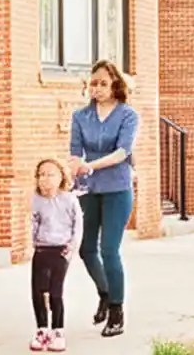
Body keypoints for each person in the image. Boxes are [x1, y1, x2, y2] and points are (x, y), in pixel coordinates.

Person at [69, 60, 139, 338]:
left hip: (117, 188)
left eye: (102, 83)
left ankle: (117, 311)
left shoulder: (127, 115)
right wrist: (74, 168)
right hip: (88, 189)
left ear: (115, 85)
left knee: (109, 249)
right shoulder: (80, 116)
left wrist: (91, 165)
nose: (96, 88)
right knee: (87, 249)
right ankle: (105, 293)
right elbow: (75, 152)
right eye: (93, 83)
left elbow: (123, 152)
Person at [29, 158, 83, 352]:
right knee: (38, 291)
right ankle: (42, 329)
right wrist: (32, 244)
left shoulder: (69, 199)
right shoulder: (36, 199)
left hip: (61, 250)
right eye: (41, 175)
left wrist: (72, 247)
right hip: (41, 249)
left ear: (61, 177)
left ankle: (58, 330)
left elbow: (78, 226)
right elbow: (33, 223)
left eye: (50, 174)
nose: (45, 179)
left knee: (55, 292)